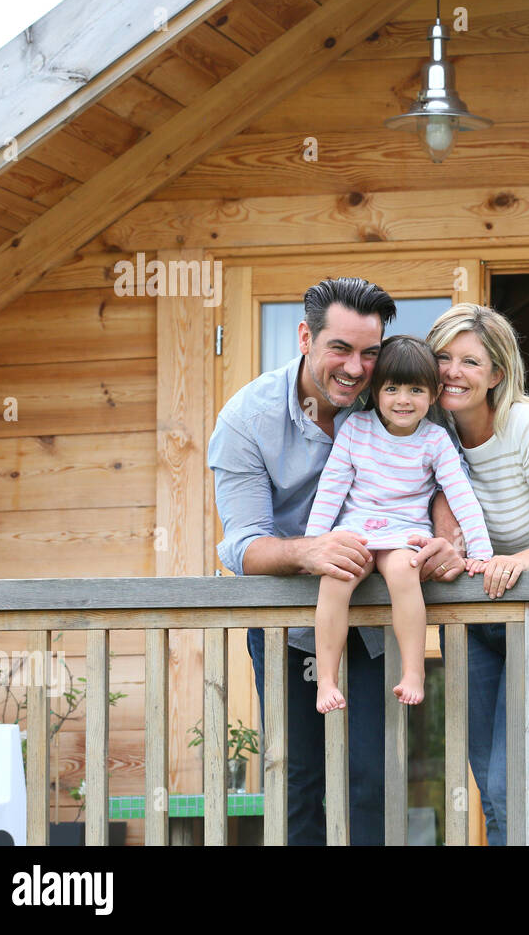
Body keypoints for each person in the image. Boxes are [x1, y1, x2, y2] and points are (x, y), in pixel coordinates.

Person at [207, 278, 466, 845]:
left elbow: (444, 473)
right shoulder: (246, 421)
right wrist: (308, 549)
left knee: (373, 776)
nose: (355, 368)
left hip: (378, 617)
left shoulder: (400, 398)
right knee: (298, 778)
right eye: (340, 349)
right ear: (305, 337)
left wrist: (451, 539)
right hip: (293, 624)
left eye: (369, 352)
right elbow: (242, 546)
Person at [426, 303, 529, 845]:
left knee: (513, 781)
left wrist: (518, 560)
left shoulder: (528, 426)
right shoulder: (428, 431)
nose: (454, 371)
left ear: (497, 373)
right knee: (492, 787)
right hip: (478, 620)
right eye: (443, 358)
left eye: (471, 361)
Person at [306, 336, 492, 712]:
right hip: (355, 531)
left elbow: (461, 495)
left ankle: (413, 671)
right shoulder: (356, 429)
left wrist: (482, 551)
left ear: (434, 392)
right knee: (335, 581)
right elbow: (331, 488)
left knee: (406, 573)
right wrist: (314, 545)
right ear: (376, 391)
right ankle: (326, 678)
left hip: (403, 534)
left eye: (415, 389)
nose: (403, 399)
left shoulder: (435, 440)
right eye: (391, 388)